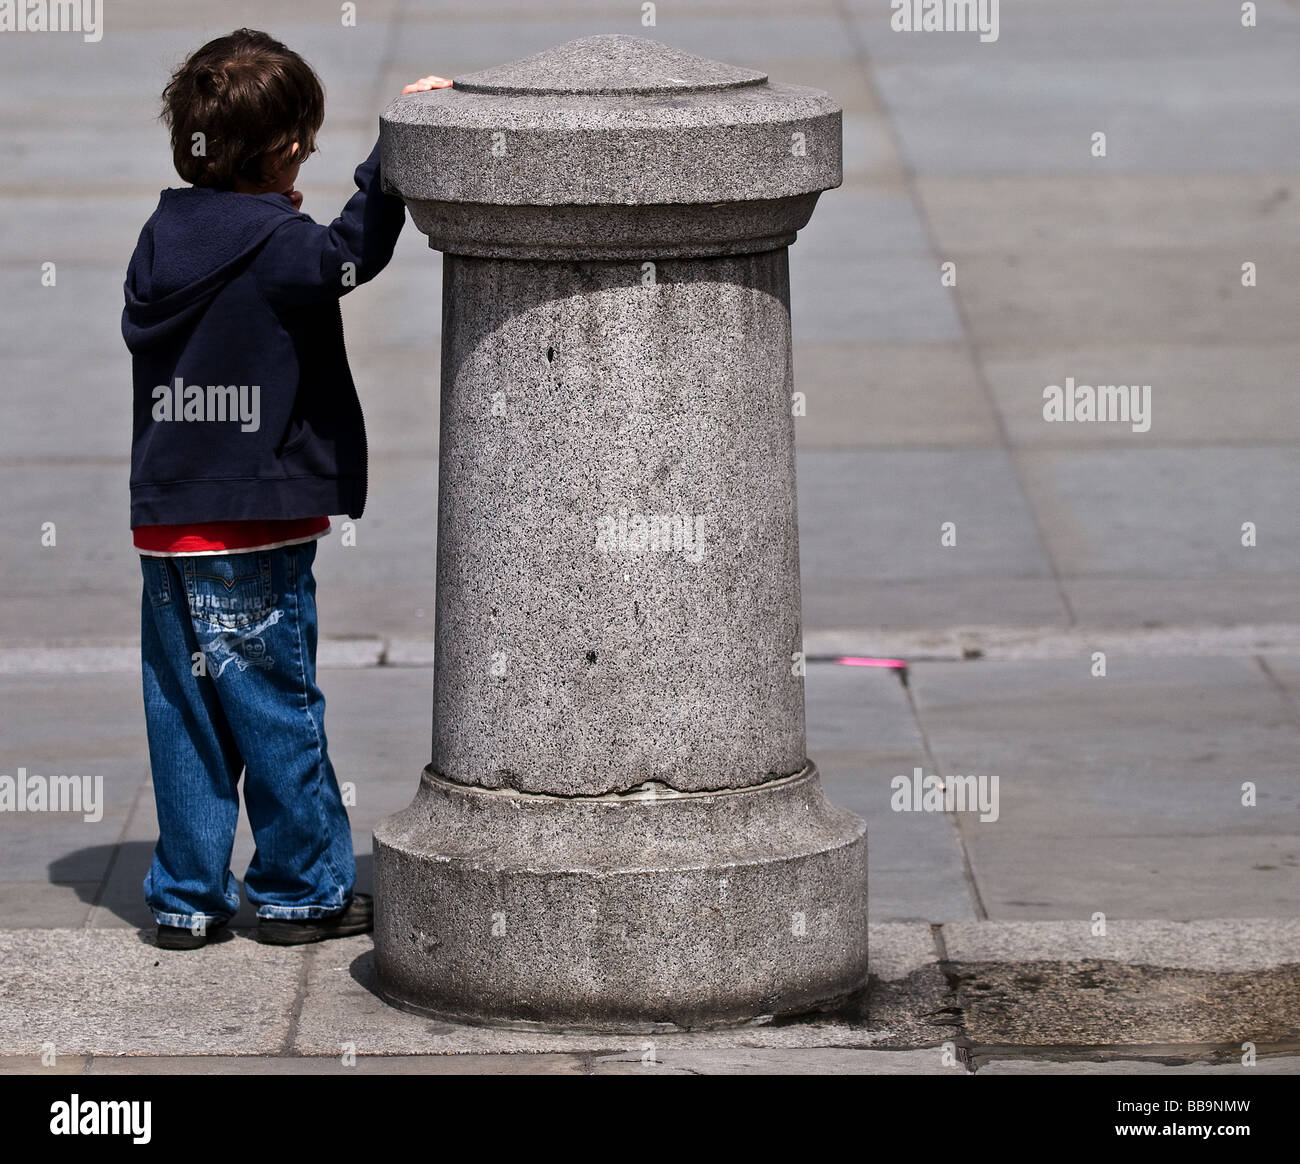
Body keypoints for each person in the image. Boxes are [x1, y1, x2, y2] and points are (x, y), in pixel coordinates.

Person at [121, 26, 449, 950]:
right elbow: (351, 255)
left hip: (170, 523)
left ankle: (187, 896)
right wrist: (393, 154)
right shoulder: (273, 243)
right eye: (303, 137)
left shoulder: (164, 236)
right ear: (285, 149)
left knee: (185, 711)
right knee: (275, 704)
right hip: (251, 526)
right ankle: (302, 886)